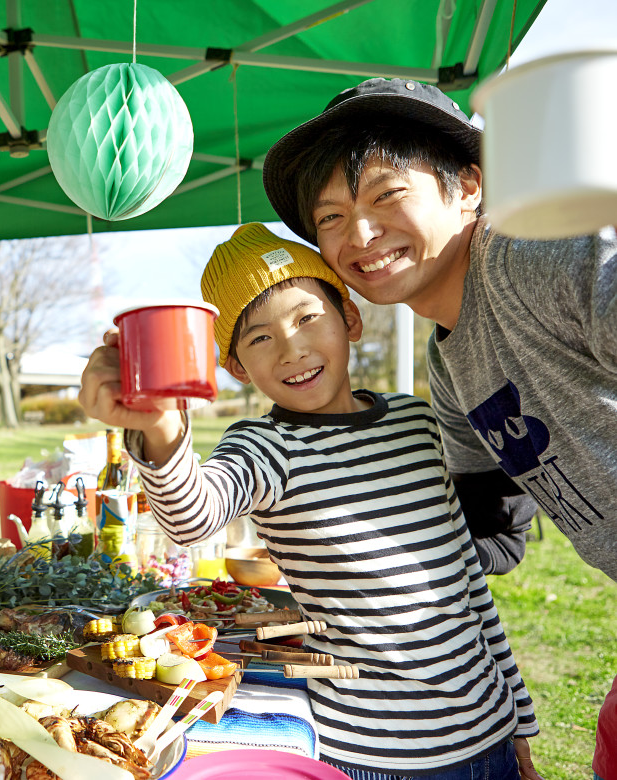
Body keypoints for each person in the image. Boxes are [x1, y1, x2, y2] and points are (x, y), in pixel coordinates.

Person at [78, 223, 540, 778]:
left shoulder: (417, 422)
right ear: (237, 368)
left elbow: (467, 581)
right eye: (259, 338)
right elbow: (190, 515)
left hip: (489, 735)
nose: (292, 348)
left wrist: (520, 722)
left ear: (349, 319)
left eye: (307, 318)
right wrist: (160, 425)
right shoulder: (267, 447)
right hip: (372, 753)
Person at [260, 76, 616, 778]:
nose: (359, 234)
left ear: (470, 187)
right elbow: (492, 536)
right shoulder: (451, 369)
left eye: (387, 195)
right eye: (329, 218)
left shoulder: (535, 255)